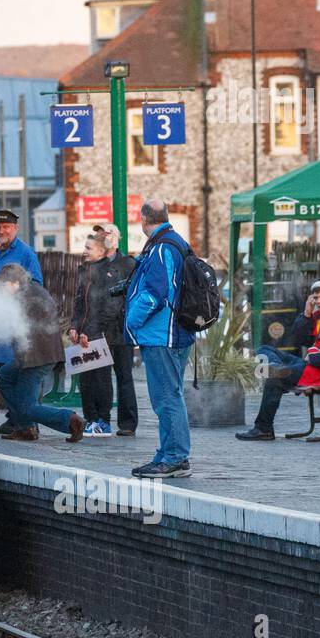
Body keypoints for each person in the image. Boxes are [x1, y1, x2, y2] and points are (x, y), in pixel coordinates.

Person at [234, 281, 320, 441]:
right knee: (264, 350)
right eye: (316, 298)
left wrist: (312, 354)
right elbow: (299, 338)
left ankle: (263, 428)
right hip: (313, 366)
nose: (319, 301)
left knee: (275, 379)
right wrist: (307, 313)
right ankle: (276, 367)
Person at [125, 200, 196, 479]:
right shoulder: (176, 243)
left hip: (162, 335)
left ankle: (175, 457)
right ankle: (169, 453)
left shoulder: (161, 247)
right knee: (170, 395)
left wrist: (132, 320)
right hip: (176, 332)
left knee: (167, 397)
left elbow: (156, 292)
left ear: (143, 218)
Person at [0, 264, 84, 443]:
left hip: (35, 358)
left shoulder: (25, 297)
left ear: (14, 283)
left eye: (4, 285)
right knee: (3, 377)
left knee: (27, 407)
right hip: (35, 354)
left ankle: (70, 420)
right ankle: (25, 427)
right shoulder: (32, 290)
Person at [68, 223, 138, 437]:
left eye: (109, 232)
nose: (105, 235)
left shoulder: (126, 264)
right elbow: (82, 302)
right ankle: (96, 419)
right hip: (95, 332)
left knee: (123, 376)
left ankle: (126, 423)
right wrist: (75, 326)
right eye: (101, 233)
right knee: (95, 378)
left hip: (118, 331)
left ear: (118, 238)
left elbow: (114, 303)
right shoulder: (90, 267)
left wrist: (93, 329)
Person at [0, 209, 44, 371]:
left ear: (15, 228)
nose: (1, 231)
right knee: (0, 370)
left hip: (16, 322)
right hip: (0, 321)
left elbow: (36, 285)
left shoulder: (26, 253)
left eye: (6, 227)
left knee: (12, 371)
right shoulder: (0, 252)